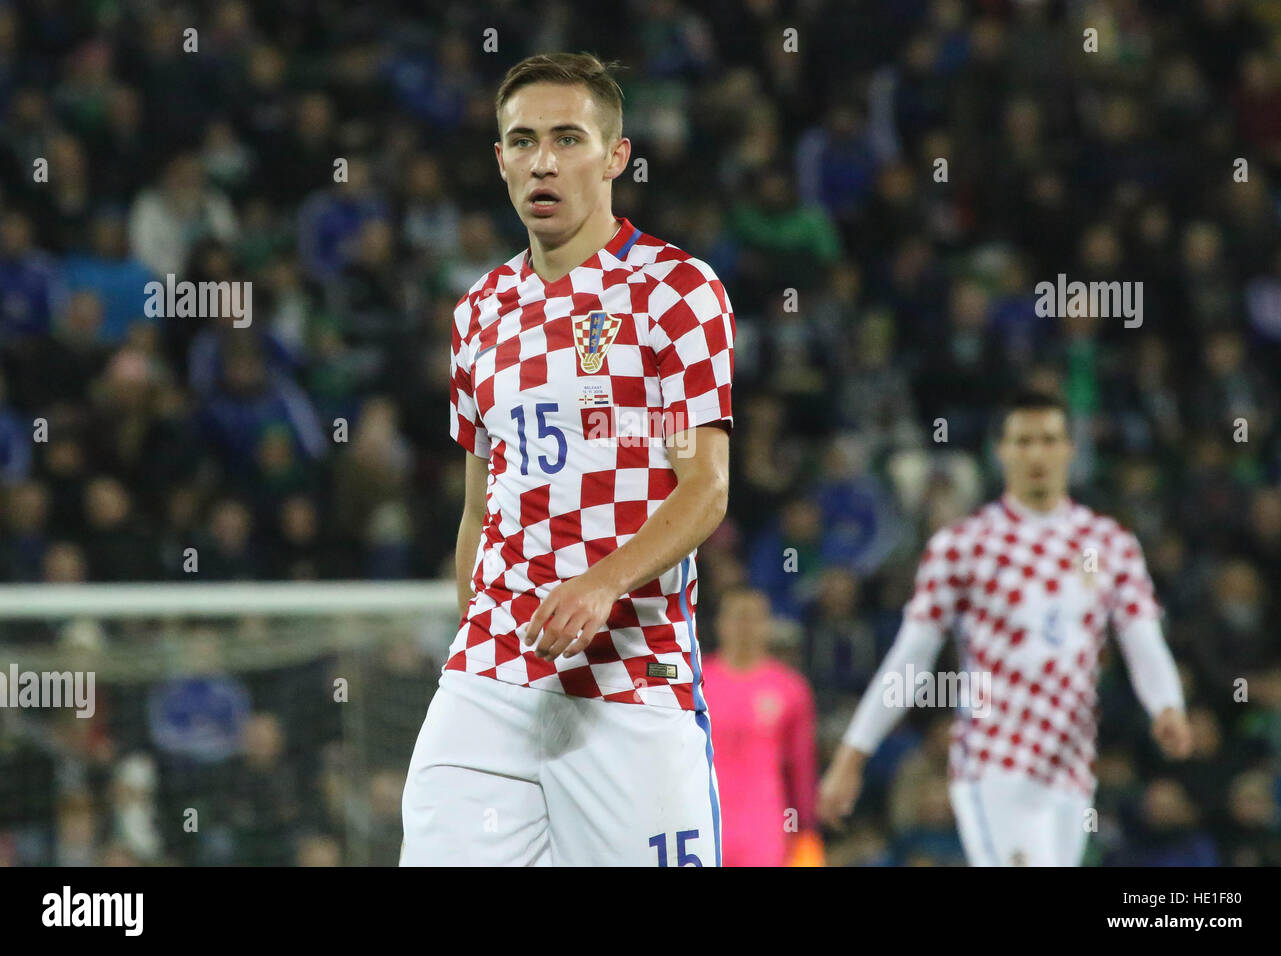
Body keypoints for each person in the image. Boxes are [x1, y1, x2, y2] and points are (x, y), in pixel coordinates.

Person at [401, 52, 736, 866]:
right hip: (491, 676)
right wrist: (477, 634)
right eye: (522, 142)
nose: (542, 161)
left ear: (615, 155)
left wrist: (602, 583)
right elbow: (478, 508)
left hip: (631, 678)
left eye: (567, 138)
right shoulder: (479, 312)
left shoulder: (676, 290)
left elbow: (705, 489)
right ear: (500, 160)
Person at [818, 390, 1192, 865]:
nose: (1037, 453)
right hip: (994, 759)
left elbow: (1142, 638)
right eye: (1024, 440)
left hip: (1071, 763)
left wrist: (1168, 706)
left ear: (1069, 449)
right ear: (1002, 451)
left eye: (1049, 439)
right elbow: (910, 659)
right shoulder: (963, 545)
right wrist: (853, 757)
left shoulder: (1109, 542)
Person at [702, 586, 818, 866]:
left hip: (764, 826)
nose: (745, 626)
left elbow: (801, 766)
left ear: (767, 625)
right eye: (737, 617)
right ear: (720, 623)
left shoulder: (790, 688)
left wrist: (806, 829)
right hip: (703, 817)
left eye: (753, 618)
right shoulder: (697, 682)